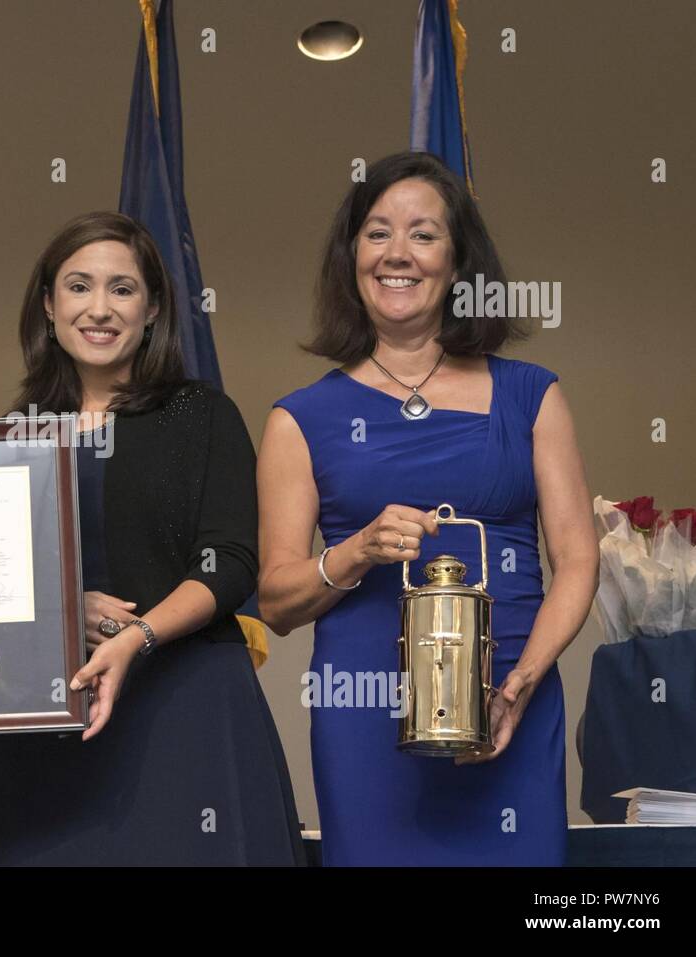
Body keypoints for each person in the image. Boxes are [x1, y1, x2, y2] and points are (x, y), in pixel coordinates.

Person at [257, 152, 599, 866]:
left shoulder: (533, 394)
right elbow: (278, 601)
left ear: (458, 259)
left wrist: (520, 686)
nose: (398, 253)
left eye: (423, 233)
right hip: (366, 720)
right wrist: (356, 551)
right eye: (377, 232)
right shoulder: (300, 418)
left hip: (510, 699)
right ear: (352, 255)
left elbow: (576, 560)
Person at [0, 212, 304, 866]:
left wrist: (138, 636)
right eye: (79, 286)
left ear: (151, 310)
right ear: (49, 305)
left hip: (188, 710)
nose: (99, 307)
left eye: (122, 288)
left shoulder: (202, 414)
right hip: (53, 724)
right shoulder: (16, 433)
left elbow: (233, 563)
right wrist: (63, 606)